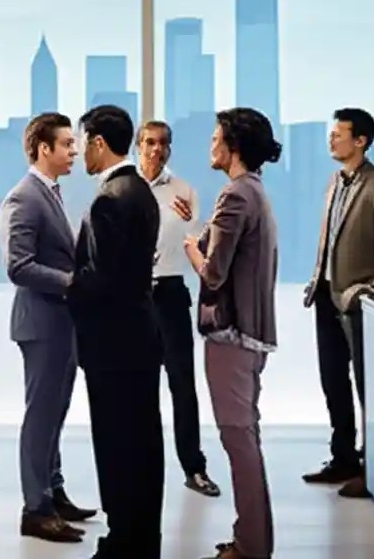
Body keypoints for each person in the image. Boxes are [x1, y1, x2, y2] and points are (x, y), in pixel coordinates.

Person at [184, 108, 282, 559]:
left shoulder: (236, 196)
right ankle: (253, 538)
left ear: (234, 146)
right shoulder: (253, 192)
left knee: (237, 439)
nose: (210, 144)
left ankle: (251, 546)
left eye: (215, 137)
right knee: (245, 438)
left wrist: (190, 248)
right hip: (251, 335)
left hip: (231, 336)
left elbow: (215, 273)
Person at [300, 108, 374, 500]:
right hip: (326, 298)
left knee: (369, 389)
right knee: (334, 383)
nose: (332, 140)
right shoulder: (335, 182)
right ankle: (343, 458)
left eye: (339, 134)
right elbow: (328, 239)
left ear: (361, 140)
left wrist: (368, 292)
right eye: (331, 133)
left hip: (361, 304)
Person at [68, 105, 164, 558]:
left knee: (117, 444)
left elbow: (101, 279)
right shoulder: (140, 189)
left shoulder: (109, 197)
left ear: (99, 142)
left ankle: (123, 541)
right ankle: (143, 538)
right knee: (144, 443)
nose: (80, 150)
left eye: (82, 140)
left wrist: (67, 284)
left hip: (112, 342)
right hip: (139, 336)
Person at [0, 111, 96, 543]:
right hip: (42, 323)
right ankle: (35, 508)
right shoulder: (24, 197)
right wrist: (73, 282)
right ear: (44, 148)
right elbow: (18, 267)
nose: (74, 151)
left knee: (55, 413)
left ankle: (53, 493)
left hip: (60, 322)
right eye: (67, 145)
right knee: (41, 417)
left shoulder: (50, 194)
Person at [136, 120, 220, 498]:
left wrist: (192, 224)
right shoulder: (124, 187)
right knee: (138, 387)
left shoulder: (184, 191)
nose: (157, 149)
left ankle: (194, 468)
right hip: (133, 296)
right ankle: (141, 472)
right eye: (150, 142)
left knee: (182, 385)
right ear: (139, 145)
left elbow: (198, 242)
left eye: (164, 143)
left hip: (170, 294)